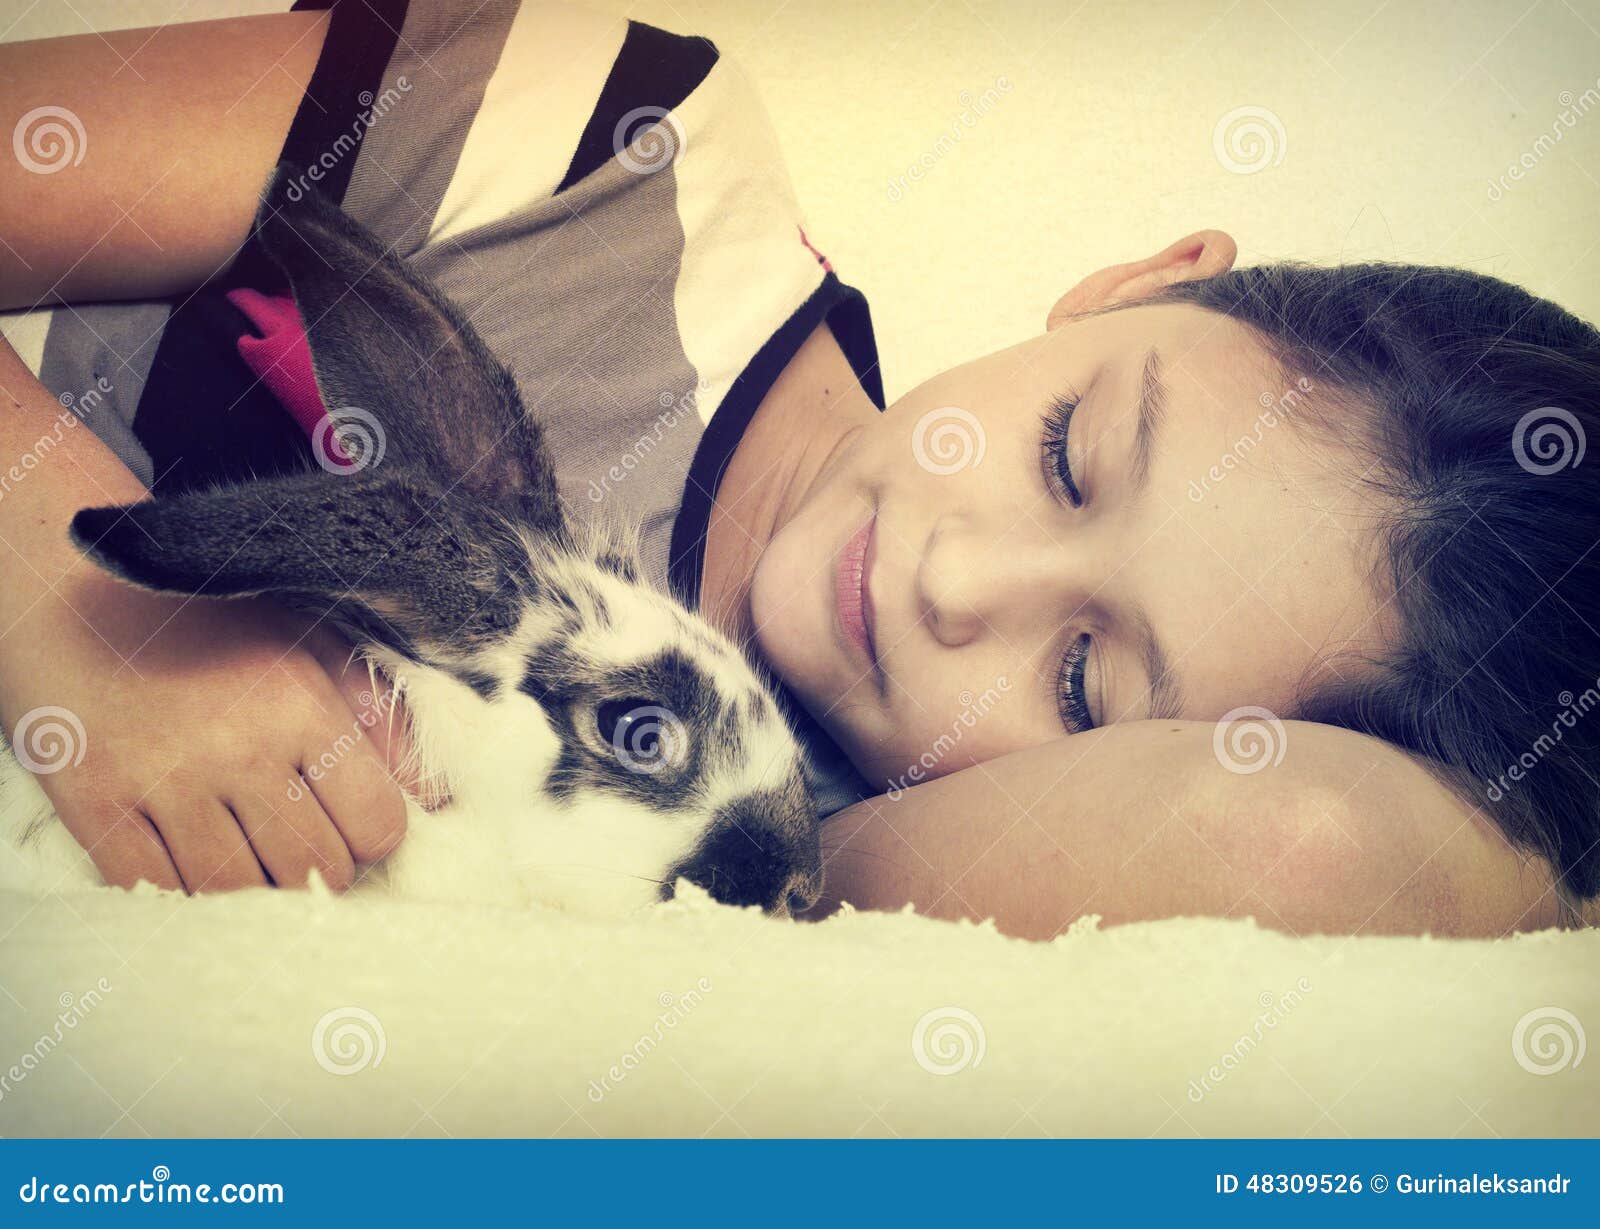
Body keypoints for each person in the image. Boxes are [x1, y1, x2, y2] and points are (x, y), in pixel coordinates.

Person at [2, 2, 1594, 940]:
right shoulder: (608, 149)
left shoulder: (860, 865)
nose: (956, 581)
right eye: (1069, 454)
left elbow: (1303, 841)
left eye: (1086, 684)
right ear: (1131, 286)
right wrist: (69, 610)